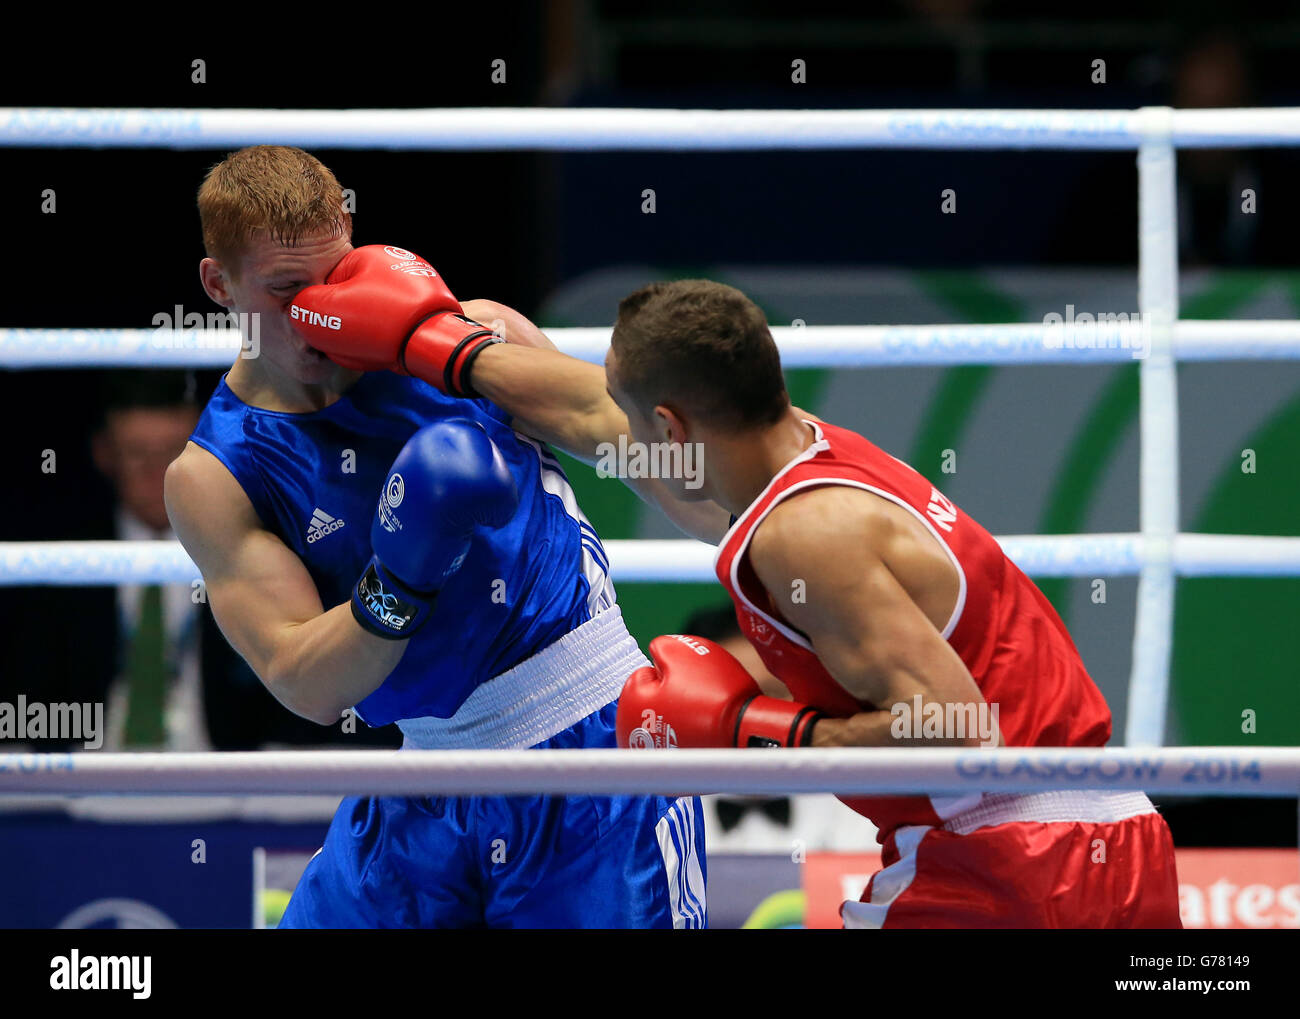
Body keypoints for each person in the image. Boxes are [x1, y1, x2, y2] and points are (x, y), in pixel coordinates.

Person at [166, 145, 708, 928]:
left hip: (589, 749)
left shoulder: (472, 329)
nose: (317, 312)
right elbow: (305, 683)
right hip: (426, 780)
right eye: (287, 292)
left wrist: (460, 355)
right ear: (219, 285)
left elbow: (640, 440)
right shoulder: (215, 474)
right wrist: (402, 576)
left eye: (332, 278)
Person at [600, 279, 1183, 929]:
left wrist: (756, 732)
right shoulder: (827, 462)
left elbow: (958, 728)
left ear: (668, 426)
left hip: (1008, 861)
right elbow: (585, 414)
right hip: (1111, 836)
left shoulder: (803, 535)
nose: (624, 440)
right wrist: (472, 356)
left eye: (633, 422)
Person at [681, 606, 878, 854]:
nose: (752, 718)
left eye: (772, 695)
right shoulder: (658, 816)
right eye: (730, 700)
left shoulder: (864, 808)